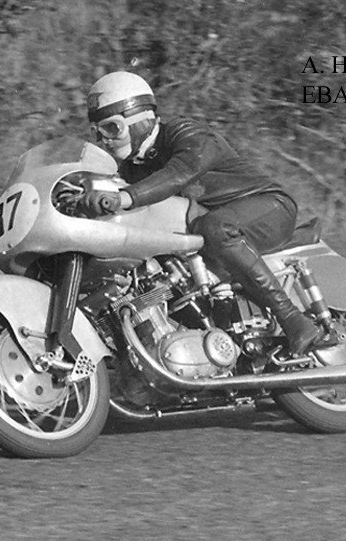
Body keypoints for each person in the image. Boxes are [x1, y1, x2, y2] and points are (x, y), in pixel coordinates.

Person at [80, 71, 324, 355]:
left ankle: (293, 319)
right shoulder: (132, 169)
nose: (105, 140)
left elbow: (180, 172)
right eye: (98, 133)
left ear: (142, 118)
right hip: (209, 230)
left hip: (268, 207)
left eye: (112, 129)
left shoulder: (186, 133)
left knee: (216, 226)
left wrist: (125, 197)